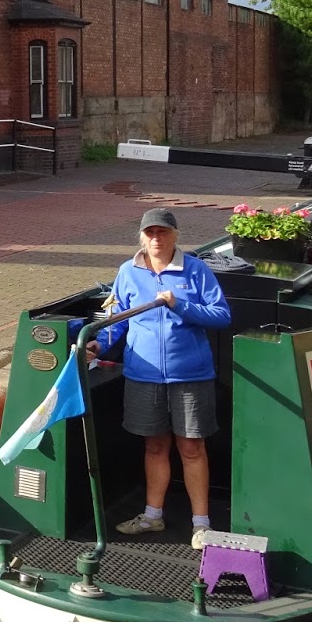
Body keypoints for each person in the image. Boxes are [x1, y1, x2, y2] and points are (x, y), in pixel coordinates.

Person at [86, 207, 231, 547]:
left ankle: (201, 524)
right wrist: (100, 344)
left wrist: (180, 305)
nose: (156, 238)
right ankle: (153, 516)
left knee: (192, 447)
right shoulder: (128, 271)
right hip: (144, 375)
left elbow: (222, 315)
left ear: (175, 236)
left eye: (162, 232)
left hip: (190, 375)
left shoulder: (195, 271)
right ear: (141, 236)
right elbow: (119, 319)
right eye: (150, 232)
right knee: (154, 446)